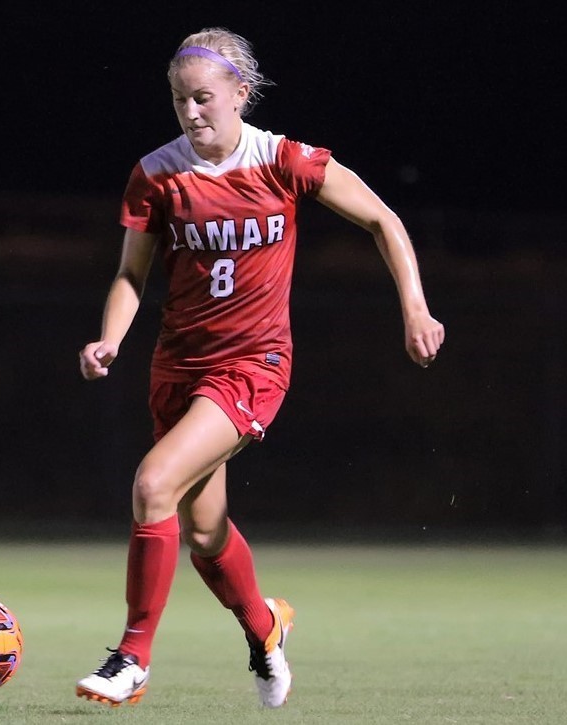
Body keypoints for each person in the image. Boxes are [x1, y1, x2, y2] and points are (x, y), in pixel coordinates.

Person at [74, 27, 445, 709]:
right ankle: (264, 627)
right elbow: (132, 271)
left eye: (205, 98)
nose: (192, 113)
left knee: (153, 484)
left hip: (252, 366)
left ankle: (133, 654)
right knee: (206, 530)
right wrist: (109, 339)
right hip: (178, 367)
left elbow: (384, 221)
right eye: (181, 100)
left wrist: (415, 311)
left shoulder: (284, 160)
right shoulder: (158, 172)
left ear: (241, 94)